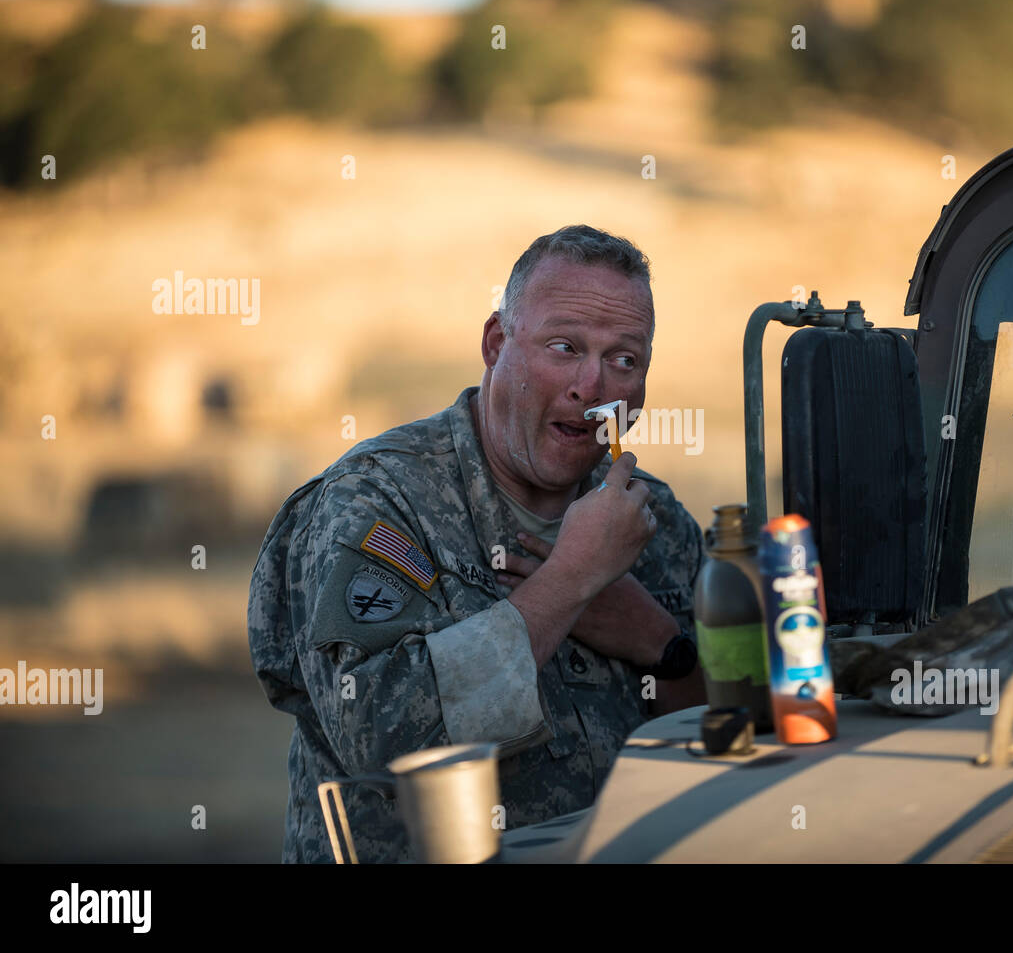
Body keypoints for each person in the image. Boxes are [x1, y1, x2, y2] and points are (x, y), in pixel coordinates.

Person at [248, 224, 707, 863]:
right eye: (565, 347)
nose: (593, 387)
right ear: (496, 344)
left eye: (624, 360)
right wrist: (570, 581)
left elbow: (738, 727)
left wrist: (662, 643)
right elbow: (380, 737)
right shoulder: (377, 501)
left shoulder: (653, 522)